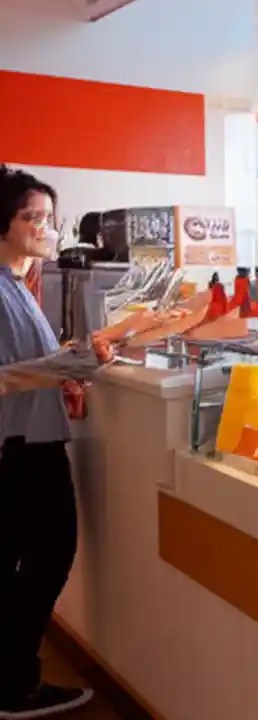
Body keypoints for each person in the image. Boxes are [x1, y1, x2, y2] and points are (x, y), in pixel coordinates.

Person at [0, 166, 92, 717]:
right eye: (30, 217)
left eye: (49, 217)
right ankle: (14, 685)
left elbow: (33, 363)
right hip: (20, 448)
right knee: (48, 556)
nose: (44, 227)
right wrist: (71, 365)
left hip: (30, 439)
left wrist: (68, 369)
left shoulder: (17, 284)